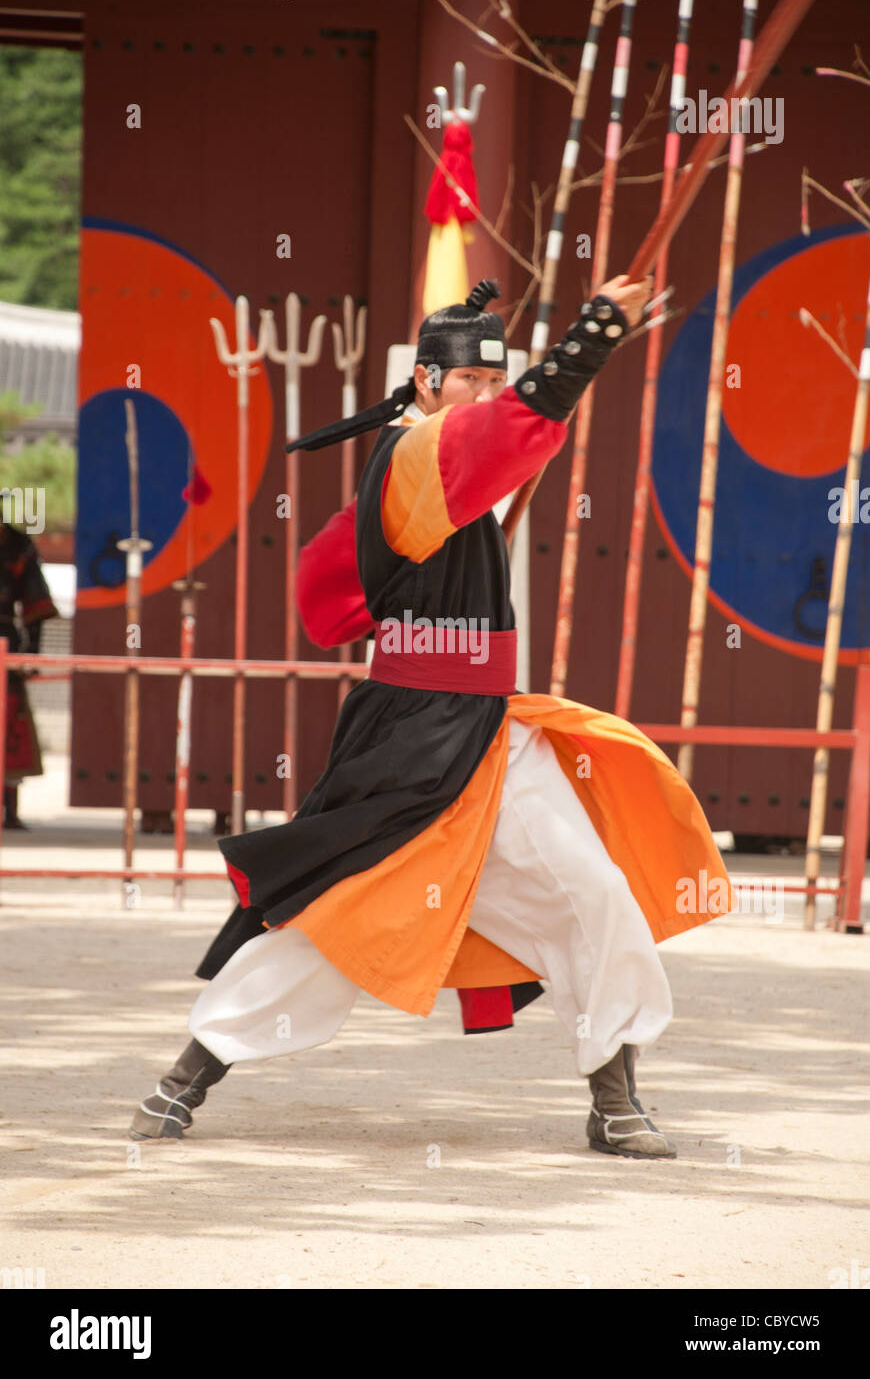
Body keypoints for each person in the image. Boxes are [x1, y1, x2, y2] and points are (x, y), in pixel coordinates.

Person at [129, 275, 730, 1159]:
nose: (484, 396)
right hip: (415, 740)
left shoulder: (430, 471)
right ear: (424, 381)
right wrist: (593, 333)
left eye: (496, 381)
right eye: (469, 383)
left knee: (593, 894)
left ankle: (616, 1098)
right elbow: (492, 441)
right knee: (339, 918)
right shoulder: (417, 456)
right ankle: (184, 1077)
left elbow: (330, 583)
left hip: (488, 729)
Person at [0, 521, 58, 829]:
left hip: (5, 643)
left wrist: (31, 652)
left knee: (9, 725)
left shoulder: (17, 545)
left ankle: (8, 807)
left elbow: (36, 604)